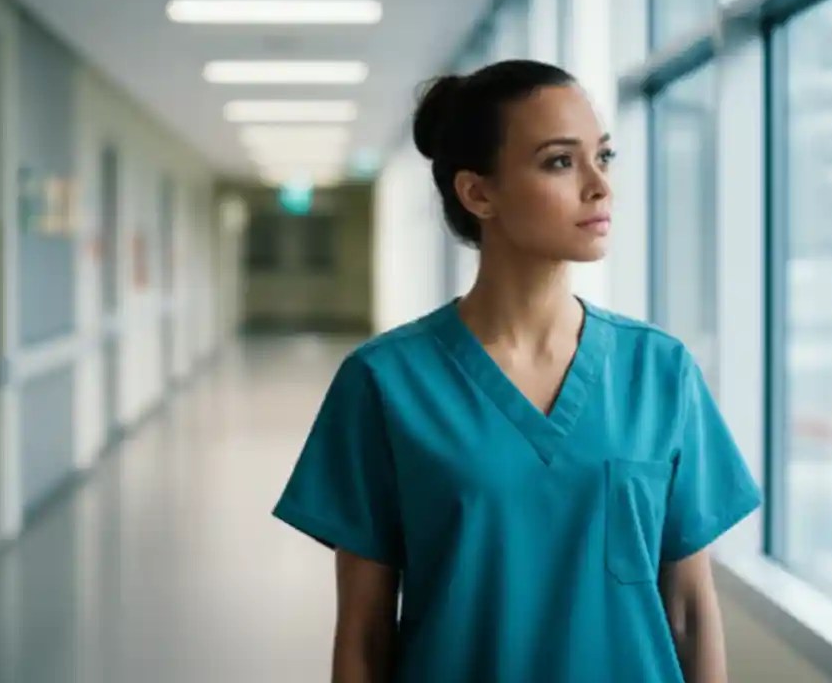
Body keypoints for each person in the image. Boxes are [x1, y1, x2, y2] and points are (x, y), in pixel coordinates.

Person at [272, 59, 761, 683]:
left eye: (603, 157)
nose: (599, 186)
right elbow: (364, 635)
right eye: (560, 161)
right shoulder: (385, 382)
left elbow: (690, 612)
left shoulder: (659, 371)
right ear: (478, 192)